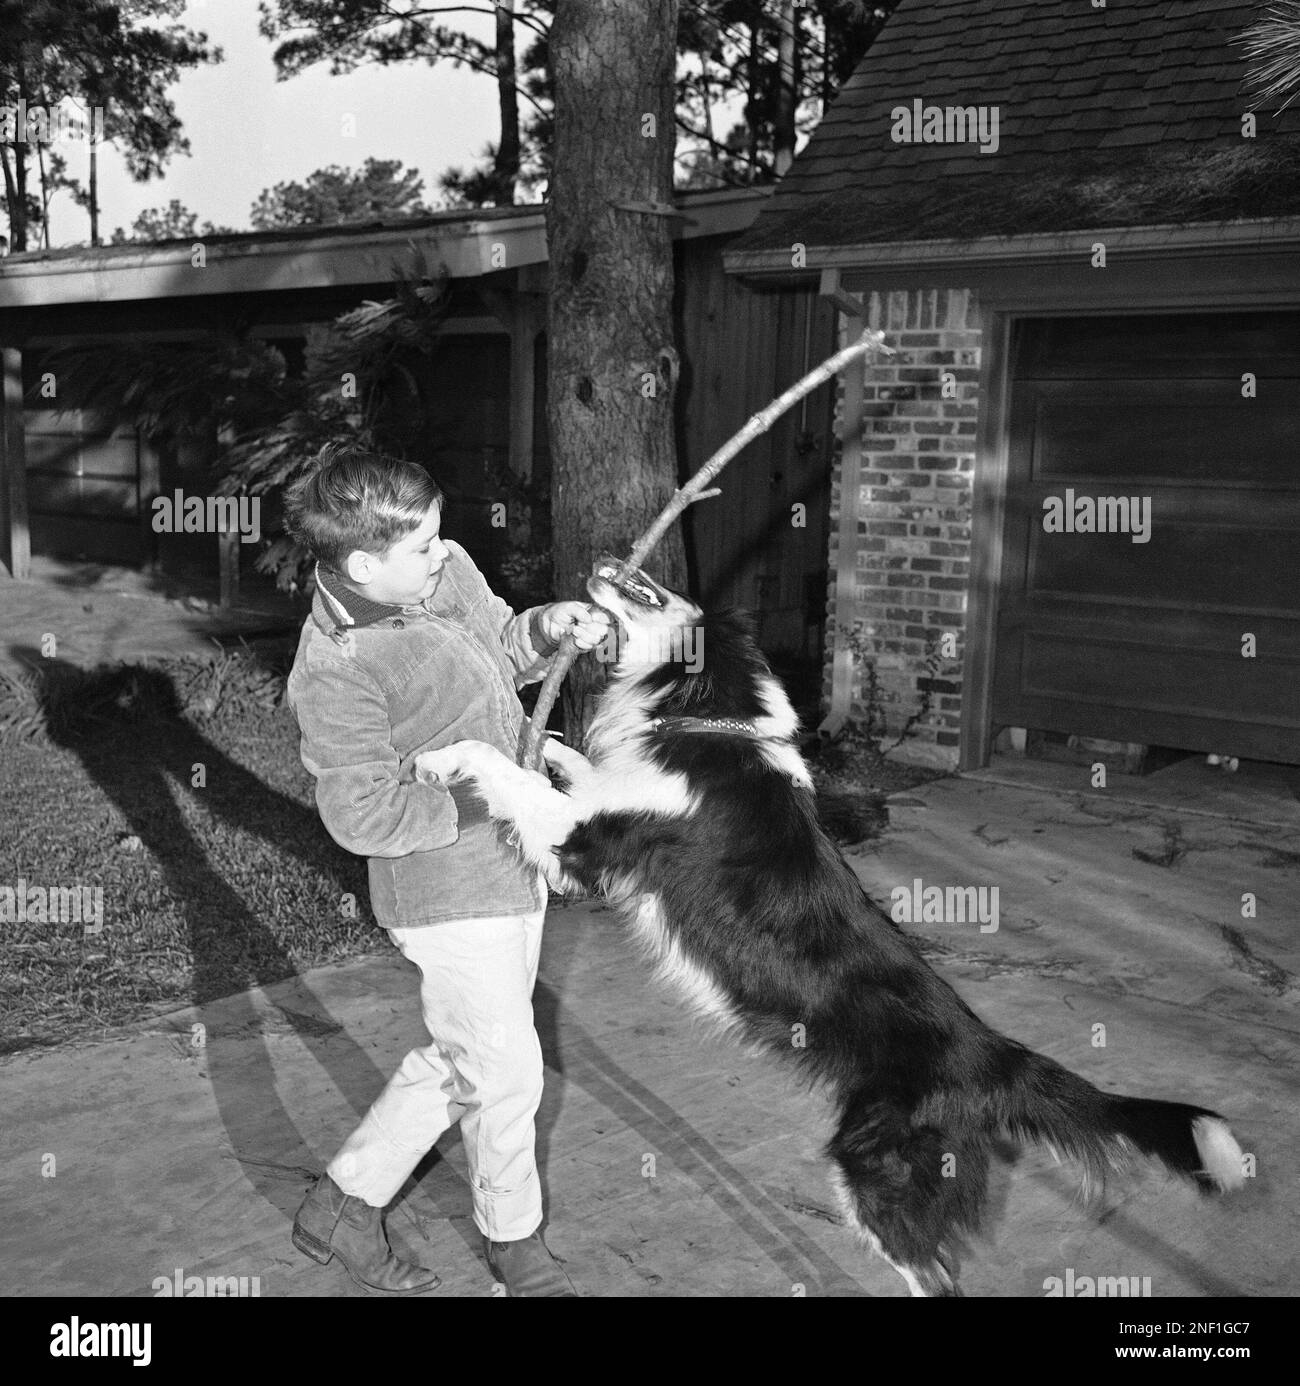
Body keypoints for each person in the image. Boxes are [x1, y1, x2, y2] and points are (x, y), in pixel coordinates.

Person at [283, 445, 609, 1296]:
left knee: (468, 1053)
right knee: (508, 1070)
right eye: (422, 547)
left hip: (514, 866)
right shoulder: (336, 671)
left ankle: (343, 1204)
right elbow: (362, 815)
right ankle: (515, 1241)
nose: (443, 555)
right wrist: (495, 793)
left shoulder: (440, 572)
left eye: (439, 538)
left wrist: (551, 627)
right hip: (444, 894)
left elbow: (505, 644)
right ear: (362, 563)